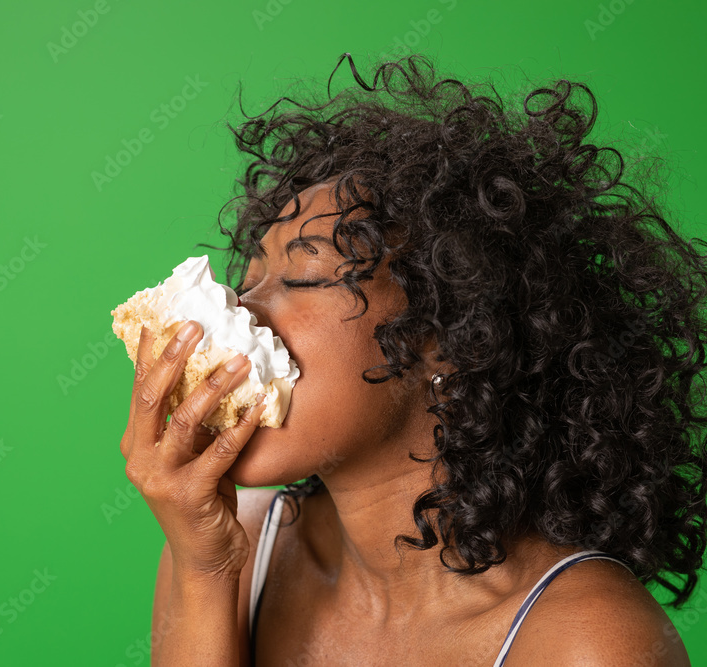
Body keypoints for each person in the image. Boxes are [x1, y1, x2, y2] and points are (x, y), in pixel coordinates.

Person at [118, 53, 707, 665]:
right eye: (248, 283)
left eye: (303, 277)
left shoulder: (590, 641)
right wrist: (205, 572)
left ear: (456, 340)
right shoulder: (230, 544)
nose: (239, 314)